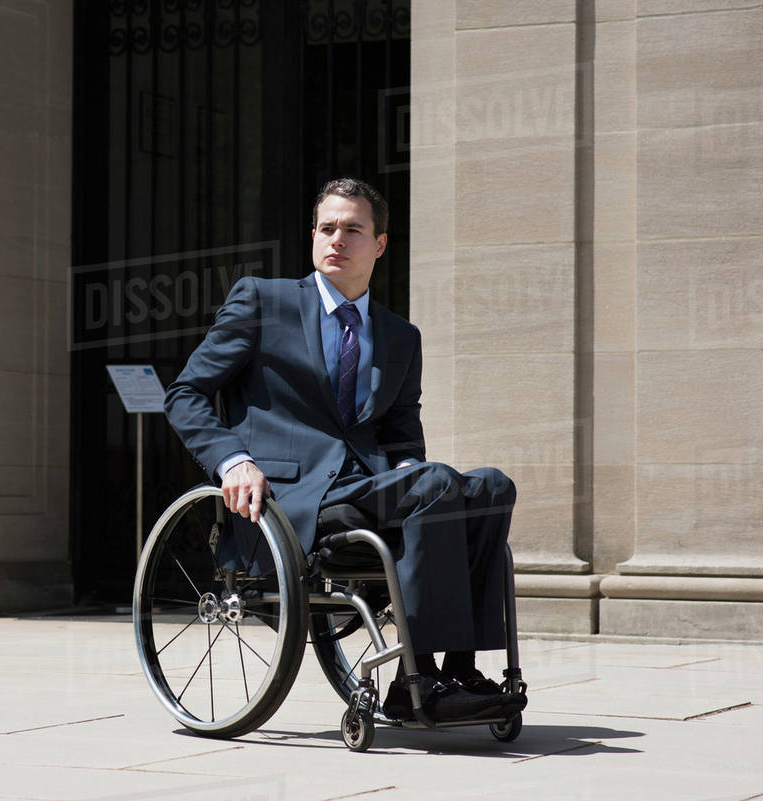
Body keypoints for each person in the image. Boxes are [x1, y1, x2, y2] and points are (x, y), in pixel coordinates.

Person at [164, 177, 525, 722]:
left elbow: (402, 432)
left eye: (353, 229)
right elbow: (186, 394)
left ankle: (460, 670)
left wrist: (412, 470)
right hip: (290, 495)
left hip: (366, 487)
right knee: (435, 483)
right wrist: (233, 461)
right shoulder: (263, 301)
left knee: (492, 486)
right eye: (327, 228)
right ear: (313, 235)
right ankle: (419, 678)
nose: (337, 239)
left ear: (379, 244)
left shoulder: (401, 336)